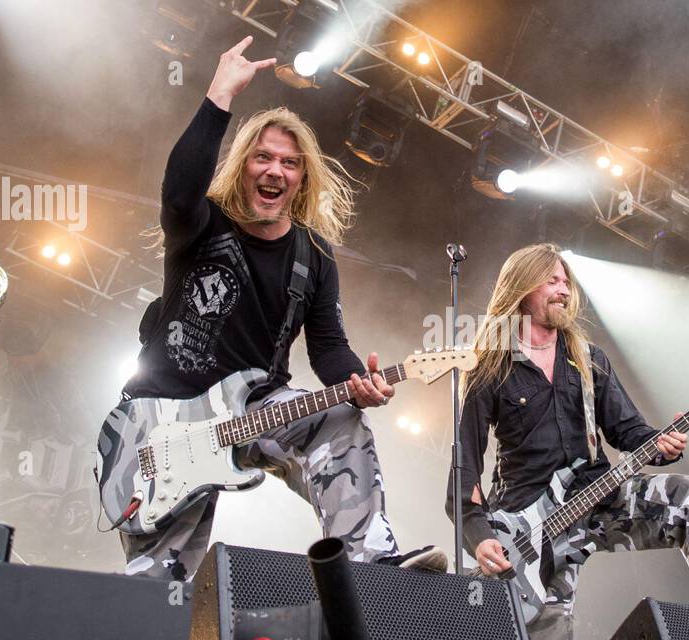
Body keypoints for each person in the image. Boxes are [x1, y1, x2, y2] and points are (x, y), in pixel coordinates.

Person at [119, 36, 445, 581]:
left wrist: (358, 382)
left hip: (255, 408)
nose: (275, 171)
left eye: (289, 164)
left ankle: (369, 562)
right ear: (243, 165)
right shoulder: (203, 224)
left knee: (341, 416)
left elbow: (329, 349)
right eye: (263, 158)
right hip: (166, 418)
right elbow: (178, 193)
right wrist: (220, 92)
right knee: (158, 588)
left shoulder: (313, 253)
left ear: (302, 179)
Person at [448, 243, 689, 640]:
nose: (564, 289)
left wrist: (661, 446)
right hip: (528, 528)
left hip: (597, 498)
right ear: (523, 287)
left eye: (566, 280)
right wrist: (479, 534)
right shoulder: (490, 368)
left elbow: (629, 432)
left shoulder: (586, 358)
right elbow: (464, 467)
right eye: (553, 280)